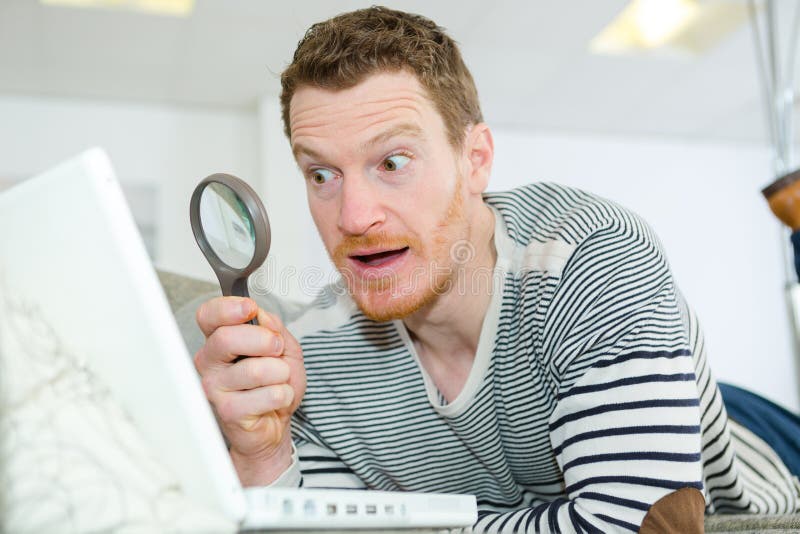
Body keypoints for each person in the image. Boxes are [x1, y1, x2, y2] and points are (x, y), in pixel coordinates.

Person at [193, 6, 800, 532]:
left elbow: (644, 528)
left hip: (749, 444)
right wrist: (263, 456)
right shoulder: (313, 357)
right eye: (321, 174)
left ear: (475, 158)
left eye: (393, 161)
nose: (352, 215)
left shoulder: (589, 254)